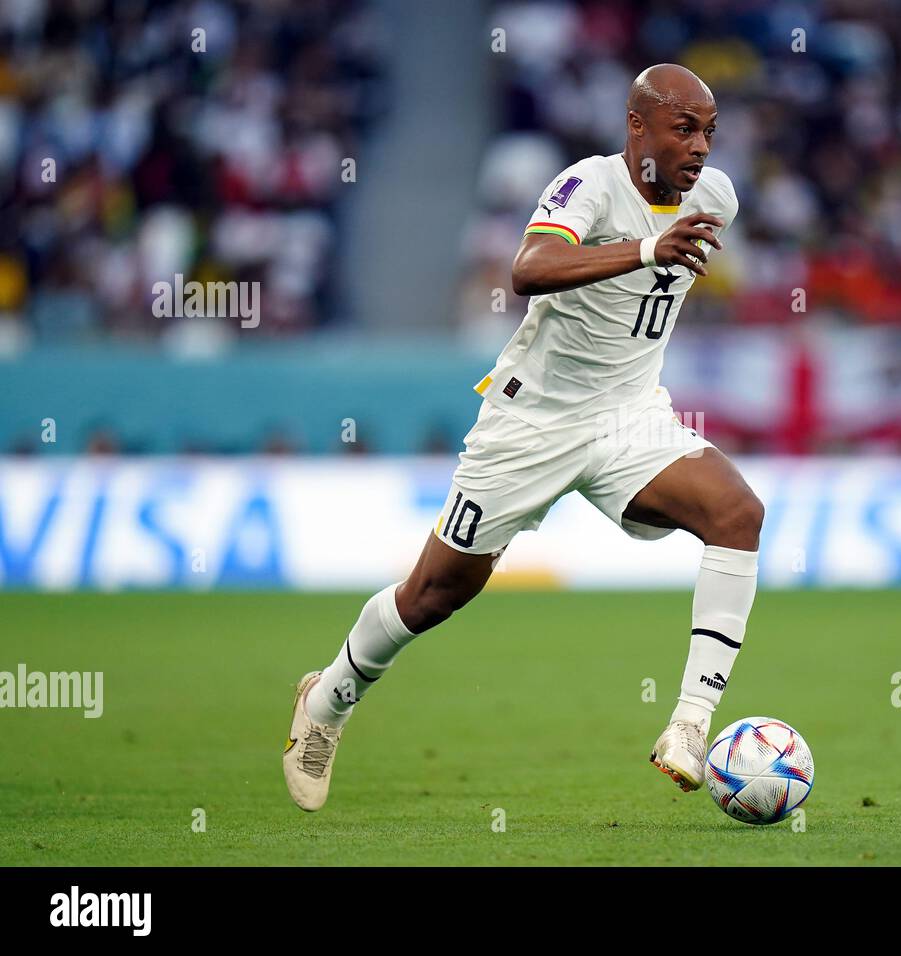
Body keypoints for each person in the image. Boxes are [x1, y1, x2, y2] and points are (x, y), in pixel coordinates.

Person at [283, 64, 764, 810]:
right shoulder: (589, 185)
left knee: (738, 512)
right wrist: (645, 250)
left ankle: (690, 726)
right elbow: (529, 268)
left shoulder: (717, 198)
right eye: (683, 128)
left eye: (708, 131)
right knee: (435, 594)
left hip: (628, 415)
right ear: (637, 125)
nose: (700, 146)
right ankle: (328, 700)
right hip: (531, 419)